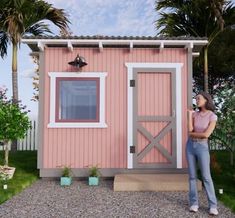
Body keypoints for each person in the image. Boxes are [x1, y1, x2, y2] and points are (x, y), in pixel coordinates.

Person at [186, 91, 218, 216]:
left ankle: (213, 205)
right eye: (196, 99)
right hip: (190, 146)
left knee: (206, 176)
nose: (196, 100)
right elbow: (189, 130)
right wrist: (189, 116)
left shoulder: (212, 116)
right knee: (192, 176)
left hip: (202, 147)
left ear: (206, 100)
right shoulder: (195, 115)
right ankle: (194, 203)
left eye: (198, 98)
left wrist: (193, 134)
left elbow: (206, 134)